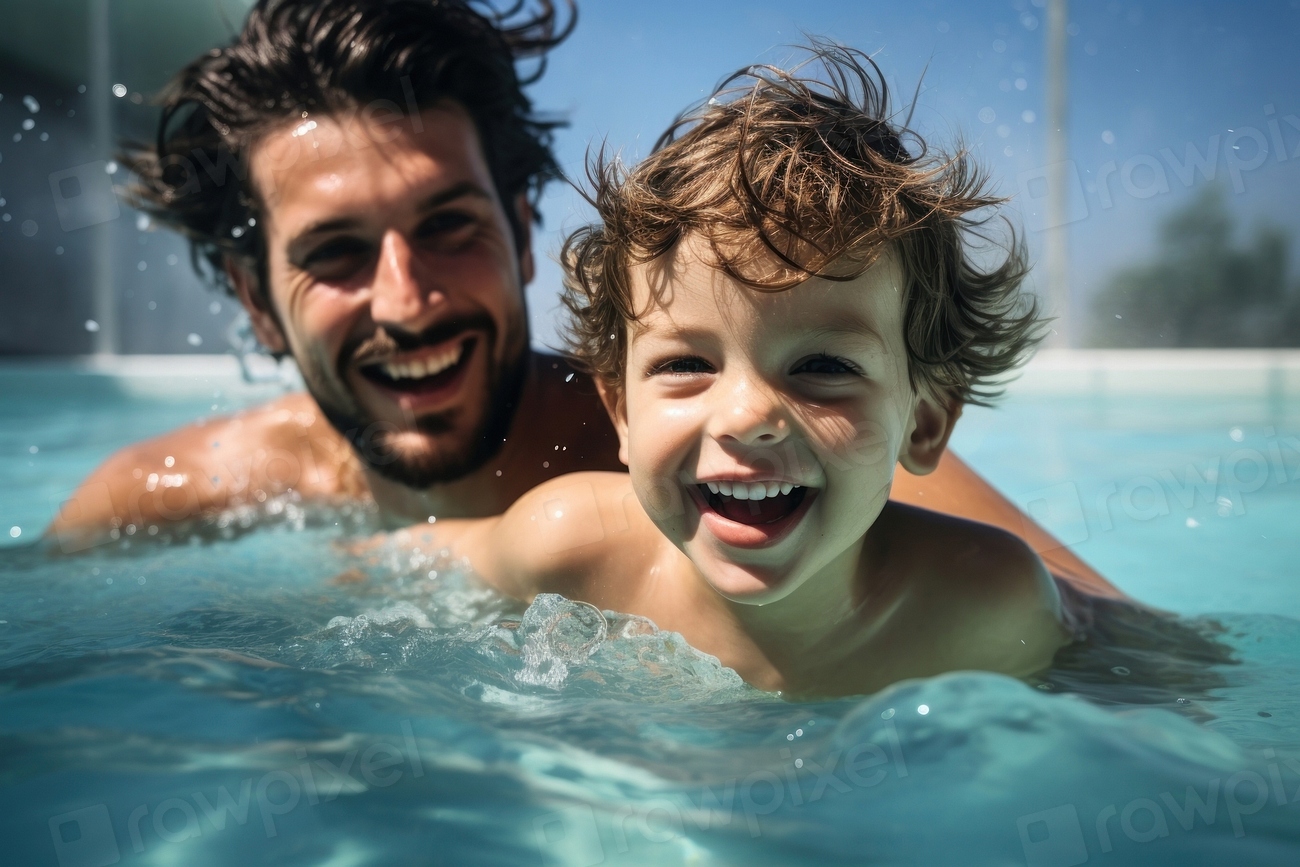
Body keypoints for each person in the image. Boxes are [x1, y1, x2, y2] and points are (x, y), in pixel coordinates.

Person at [45, 0, 1116, 601]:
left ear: (519, 233)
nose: (406, 300)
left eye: (449, 227)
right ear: (256, 300)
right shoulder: (158, 501)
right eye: (334, 252)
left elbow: (1111, 637)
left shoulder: (716, 431)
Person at [386, 45, 1071, 696]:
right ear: (621, 411)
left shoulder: (986, 608)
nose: (746, 415)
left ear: (923, 422)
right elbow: (391, 563)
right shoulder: (568, 544)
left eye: (823, 366)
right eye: (686, 363)